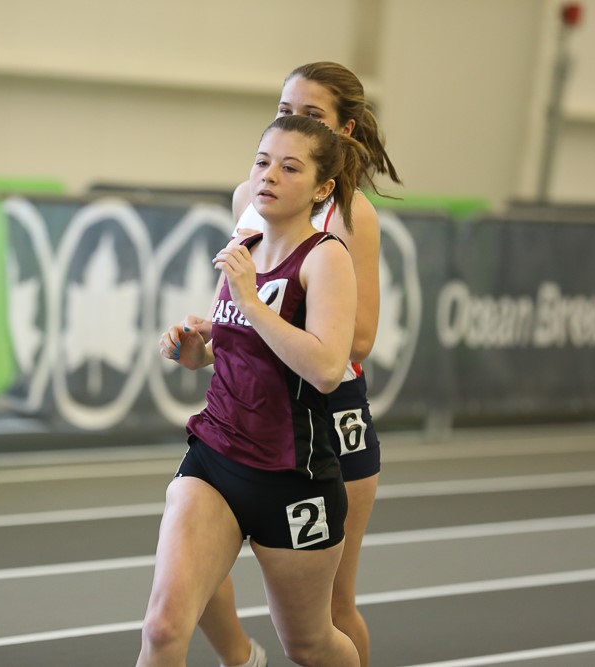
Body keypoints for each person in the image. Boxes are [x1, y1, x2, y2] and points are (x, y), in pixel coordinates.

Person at [187, 61, 401, 667]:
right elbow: (233, 309)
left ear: (344, 133)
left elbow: (356, 342)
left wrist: (265, 315)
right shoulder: (247, 198)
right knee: (188, 570)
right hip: (247, 412)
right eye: (285, 111)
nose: (291, 124)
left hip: (328, 414)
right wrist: (215, 330)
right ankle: (240, 657)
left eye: (310, 116)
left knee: (330, 607)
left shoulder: (352, 218)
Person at [139, 113, 368, 667]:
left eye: (289, 167)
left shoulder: (325, 256)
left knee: (310, 645)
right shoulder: (245, 242)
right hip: (216, 456)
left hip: (292, 477)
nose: (268, 176)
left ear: (322, 187)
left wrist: (251, 303)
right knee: (165, 628)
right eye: (262, 162)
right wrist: (199, 348)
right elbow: (240, 347)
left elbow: (326, 368)